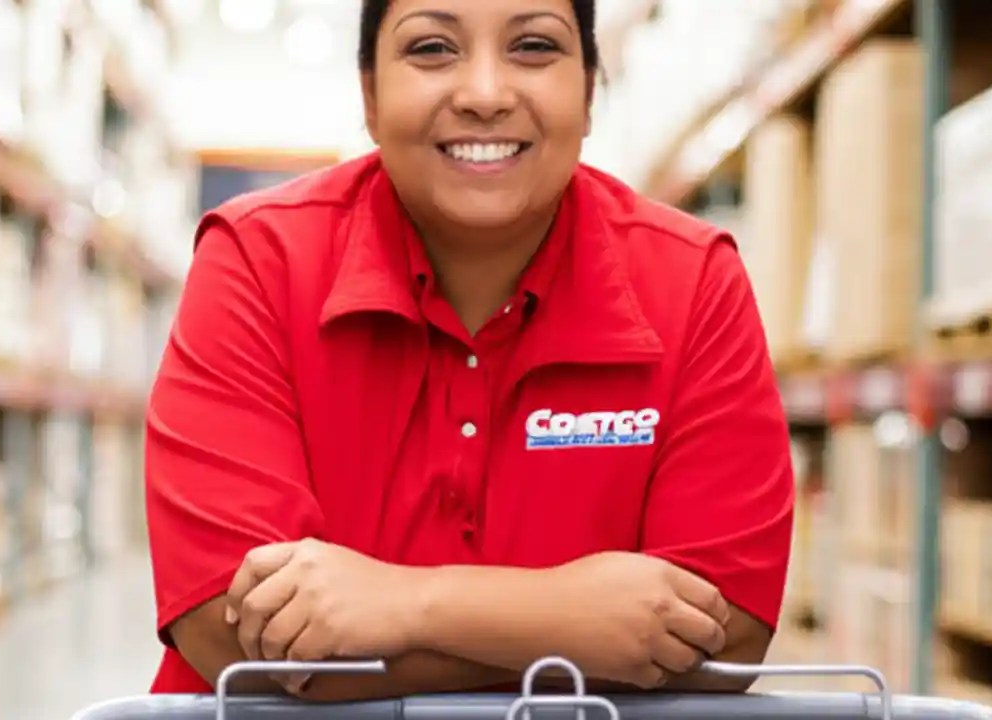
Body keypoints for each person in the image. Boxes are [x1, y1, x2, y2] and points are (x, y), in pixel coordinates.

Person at [144, 0, 794, 703]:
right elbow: (226, 635)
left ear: (589, 89)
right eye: (431, 48)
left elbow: (728, 634)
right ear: (369, 93)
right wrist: (576, 626)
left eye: (535, 46)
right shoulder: (258, 262)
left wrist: (398, 605)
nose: (485, 94)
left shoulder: (692, 281)